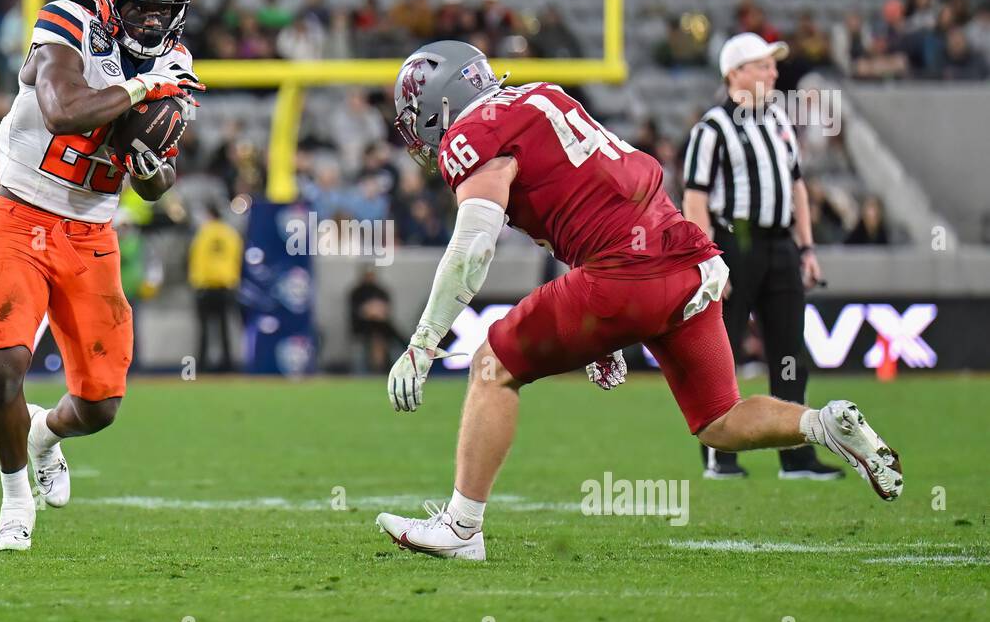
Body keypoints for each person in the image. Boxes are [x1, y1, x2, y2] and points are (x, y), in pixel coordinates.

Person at [375, 41, 903, 560]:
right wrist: (604, 335)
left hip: (627, 270)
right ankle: (824, 425)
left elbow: (472, 248)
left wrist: (423, 342)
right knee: (719, 420)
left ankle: (463, 528)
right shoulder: (543, 96)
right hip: (686, 257)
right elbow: (594, 197)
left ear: (442, 102)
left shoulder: (474, 132)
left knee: (494, 364)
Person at [0, 0, 203, 551]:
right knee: (3, 369)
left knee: (100, 406)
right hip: (20, 215)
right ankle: (16, 498)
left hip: (92, 231)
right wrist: (144, 87)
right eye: (139, 8)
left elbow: (158, 183)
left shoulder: (173, 63)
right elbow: (62, 111)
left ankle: (45, 435)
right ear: (108, 0)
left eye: (163, 10)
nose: (153, 21)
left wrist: (152, 168)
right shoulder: (67, 23)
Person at [681, 33, 843, 481]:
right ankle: (720, 454)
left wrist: (806, 247)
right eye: (762, 66)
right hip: (736, 242)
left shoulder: (778, 122)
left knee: (790, 350)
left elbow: (797, 188)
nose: (773, 73)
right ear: (735, 73)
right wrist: (707, 258)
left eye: (773, 66)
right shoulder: (712, 127)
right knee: (722, 350)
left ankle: (795, 455)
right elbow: (694, 199)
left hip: (780, 245)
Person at [188, 204, 243, 373]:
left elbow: (196, 259)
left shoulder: (203, 234)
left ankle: (202, 366)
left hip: (205, 286)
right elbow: (237, 258)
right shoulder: (231, 234)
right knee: (224, 328)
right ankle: (227, 365)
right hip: (226, 285)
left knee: (204, 329)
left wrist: (196, 282)